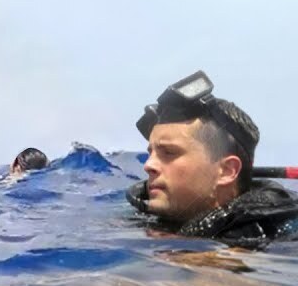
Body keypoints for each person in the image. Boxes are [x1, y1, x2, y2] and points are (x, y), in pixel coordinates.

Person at [127, 70, 298, 249]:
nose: (148, 165)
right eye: (151, 153)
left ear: (226, 171)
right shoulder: (157, 218)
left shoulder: (263, 239)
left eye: (169, 152)